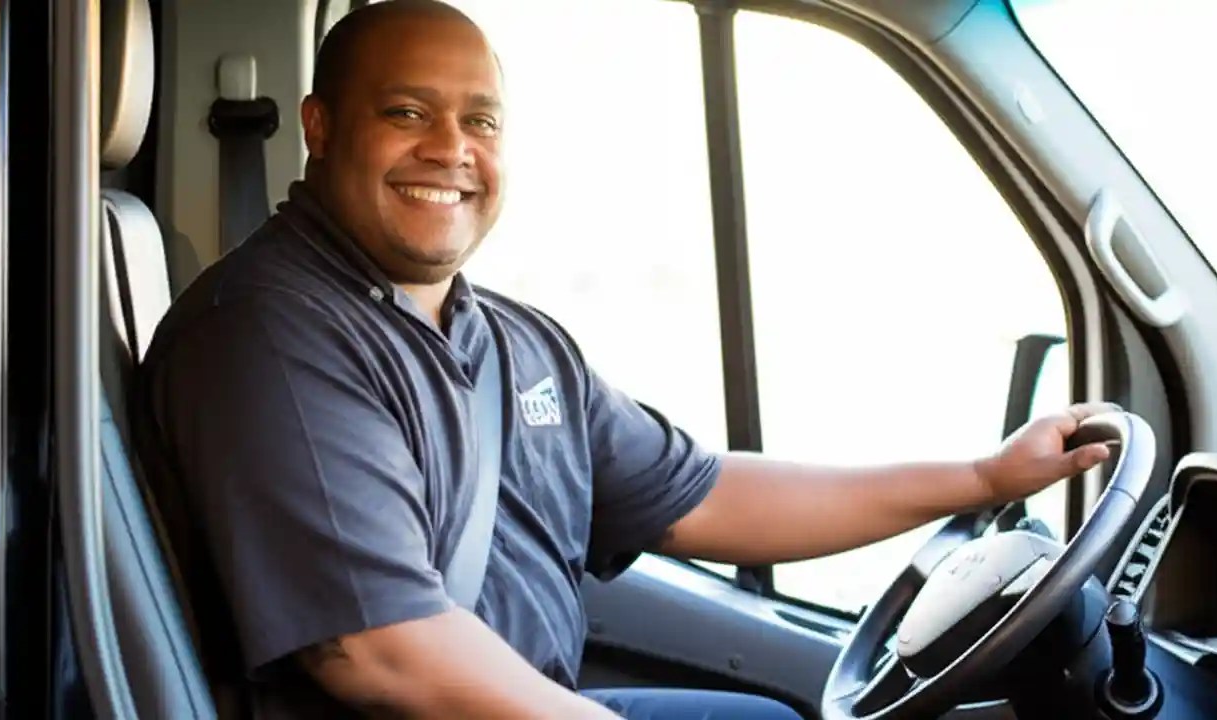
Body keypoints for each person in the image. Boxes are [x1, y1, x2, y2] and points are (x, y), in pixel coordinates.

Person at [133, 1, 1116, 718]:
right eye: (406, 112)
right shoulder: (264, 335)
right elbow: (379, 653)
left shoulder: (514, 340)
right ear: (319, 127)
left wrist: (982, 475)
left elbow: (704, 496)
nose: (452, 148)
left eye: (479, 120)